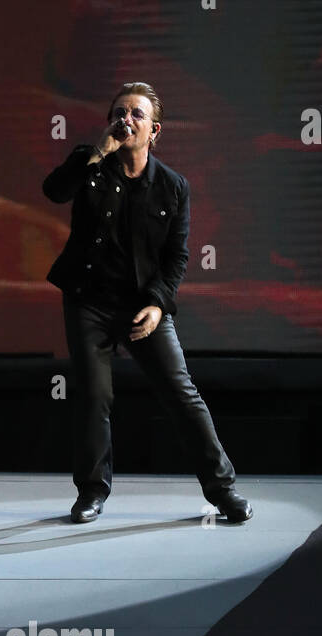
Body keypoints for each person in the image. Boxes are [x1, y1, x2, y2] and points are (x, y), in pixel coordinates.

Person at [42, 82, 252, 526]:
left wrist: (158, 305)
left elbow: (177, 256)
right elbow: (55, 191)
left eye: (136, 114)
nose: (126, 120)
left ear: (154, 130)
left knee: (182, 393)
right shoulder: (91, 166)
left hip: (143, 307)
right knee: (94, 396)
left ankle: (223, 490)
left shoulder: (173, 187)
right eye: (118, 113)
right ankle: (91, 494)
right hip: (90, 302)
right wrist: (96, 153)